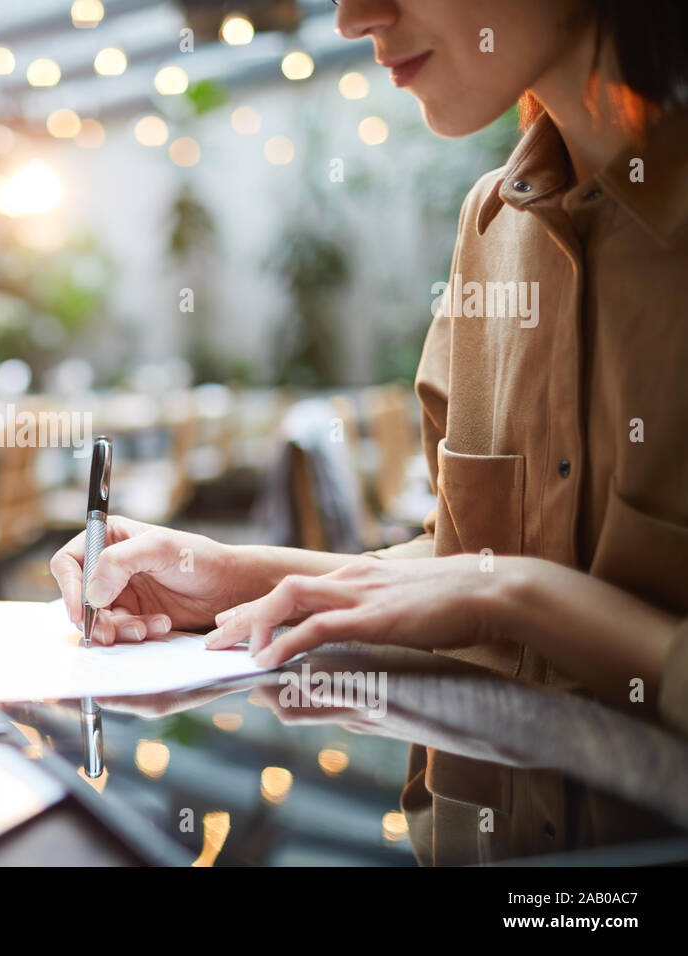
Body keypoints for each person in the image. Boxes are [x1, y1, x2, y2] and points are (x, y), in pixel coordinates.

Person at [50, 0, 688, 862]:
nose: (353, 17)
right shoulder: (493, 229)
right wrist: (230, 578)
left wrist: (525, 597)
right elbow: (464, 562)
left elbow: (494, 583)